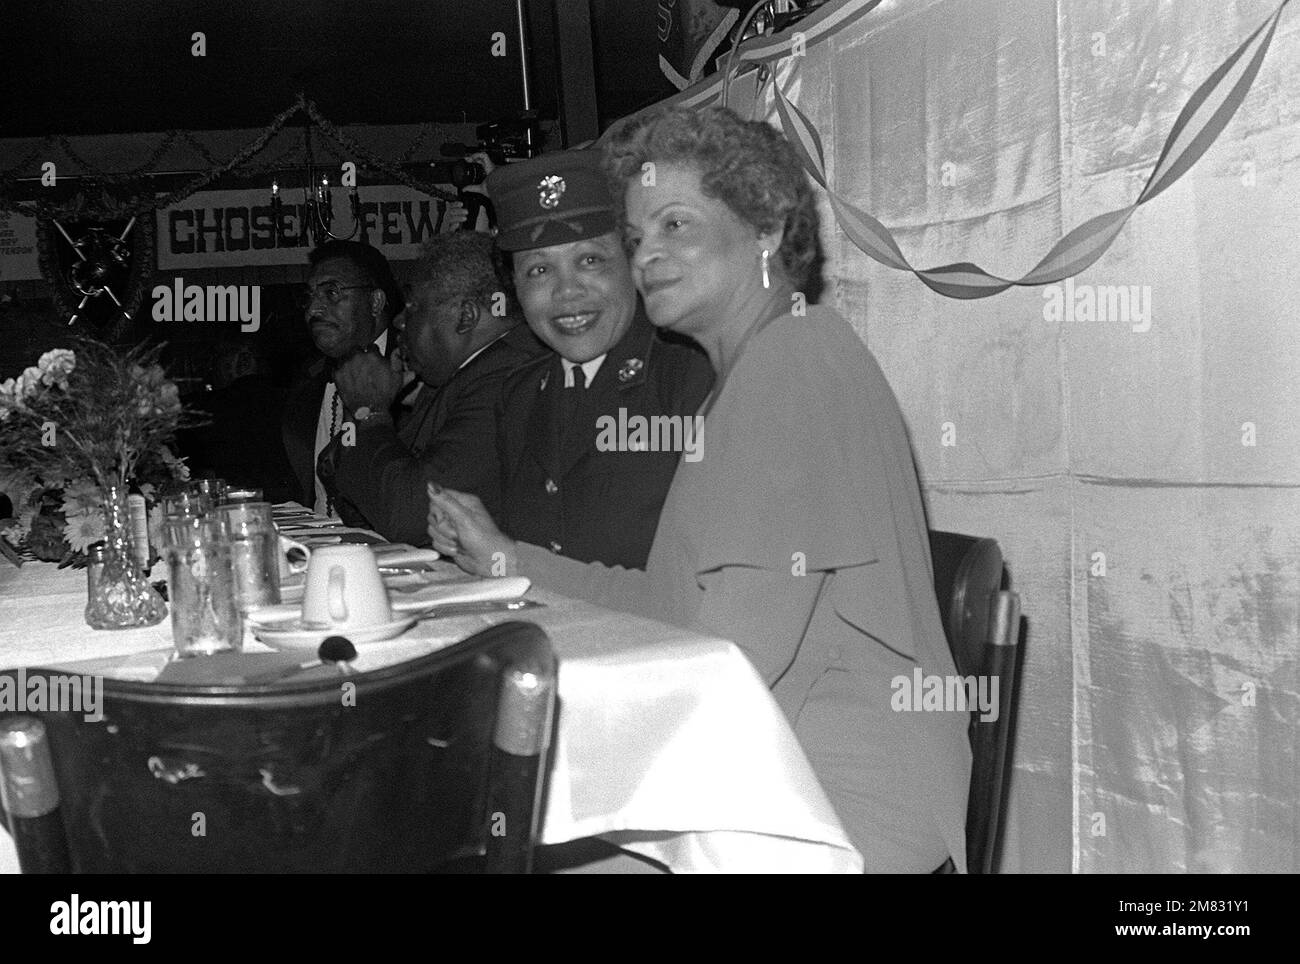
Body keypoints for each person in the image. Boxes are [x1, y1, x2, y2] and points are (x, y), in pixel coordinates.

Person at [426, 105, 972, 872]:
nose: (648, 255)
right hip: (773, 765)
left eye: (676, 225)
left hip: (833, 804)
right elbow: (678, 606)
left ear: (767, 229)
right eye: (639, 235)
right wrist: (506, 559)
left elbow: (731, 658)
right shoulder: (763, 365)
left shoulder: (793, 370)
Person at [486, 148, 713, 568]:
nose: (566, 291)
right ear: (514, 287)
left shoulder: (693, 379)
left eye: (590, 261)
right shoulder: (518, 396)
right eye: (538, 270)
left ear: (634, 264)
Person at [317, 232, 545, 545]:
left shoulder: (507, 379)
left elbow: (413, 517)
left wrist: (368, 410)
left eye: (412, 307)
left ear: (465, 317)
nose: (398, 321)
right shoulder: (453, 378)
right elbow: (368, 513)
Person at [280, 240, 405, 514]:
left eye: (332, 292)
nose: (313, 309)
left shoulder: (415, 373)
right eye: (309, 297)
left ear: (375, 301)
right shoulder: (306, 382)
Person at [175, 337, 298, 503]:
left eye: (218, 359)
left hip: (233, 510)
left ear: (244, 361)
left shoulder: (210, 407)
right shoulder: (294, 399)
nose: (212, 369)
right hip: (294, 504)